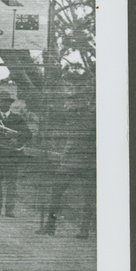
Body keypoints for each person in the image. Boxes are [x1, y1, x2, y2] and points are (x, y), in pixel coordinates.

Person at [37, 85, 95, 238]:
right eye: (71, 100)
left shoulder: (88, 116)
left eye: (75, 100)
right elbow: (52, 116)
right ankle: (60, 228)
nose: (70, 103)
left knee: (82, 197)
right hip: (77, 162)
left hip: (81, 162)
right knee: (63, 194)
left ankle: (75, 229)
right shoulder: (75, 115)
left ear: (84, 101)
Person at [0, 91, 32, 218]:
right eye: (1, 101)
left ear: (10, 104)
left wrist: (17, 138)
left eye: (6, 101)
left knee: (11, 183)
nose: (3, 104)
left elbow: (29, 134)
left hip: (12, 156)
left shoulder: (18, 118)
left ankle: (10, 210)